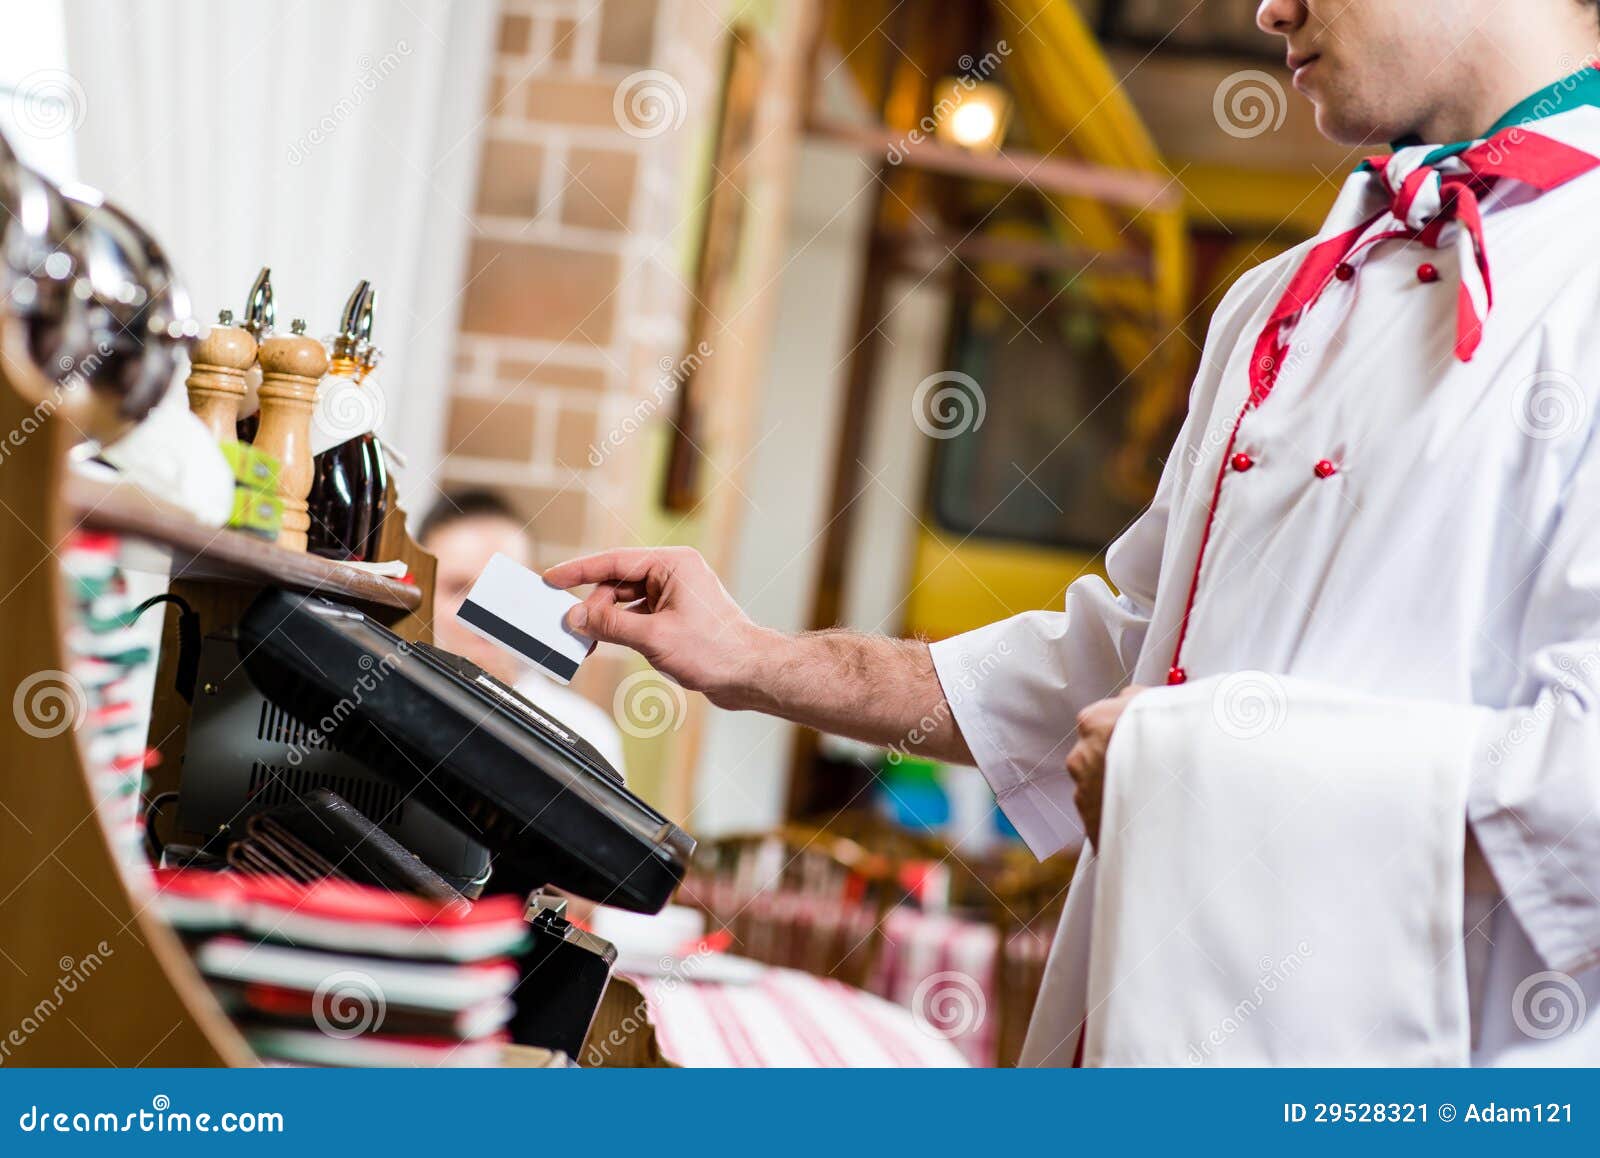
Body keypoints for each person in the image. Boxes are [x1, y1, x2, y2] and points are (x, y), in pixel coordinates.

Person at [546, 0, 1600, 1065]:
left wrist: (1195, 766)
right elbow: (1112, 668)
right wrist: (757, 661)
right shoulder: (1274, 299)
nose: (1268, 10)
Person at [418, 490, 629, 775]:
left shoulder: (589, 734)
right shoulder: (380, 694)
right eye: (459, 588)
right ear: (422, 588)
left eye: (503, 590)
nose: (483, 613)